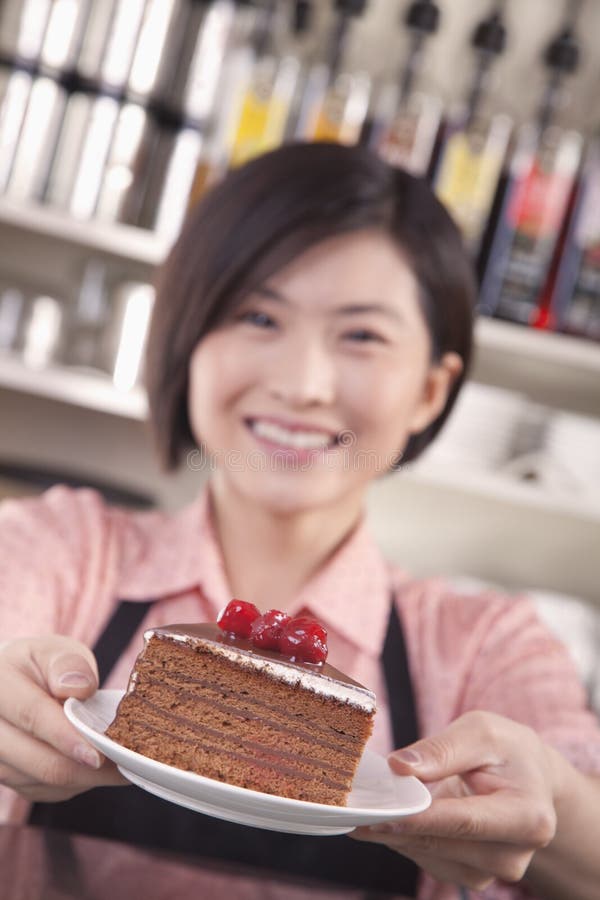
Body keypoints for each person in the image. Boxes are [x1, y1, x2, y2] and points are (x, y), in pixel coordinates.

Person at [0, 142, 599, 900]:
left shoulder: (482, 646)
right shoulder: (63, 550)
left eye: (361, 335)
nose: (302, 384)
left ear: (429, 391)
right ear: (186, 339)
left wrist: (553, 802)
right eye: (257, 315)